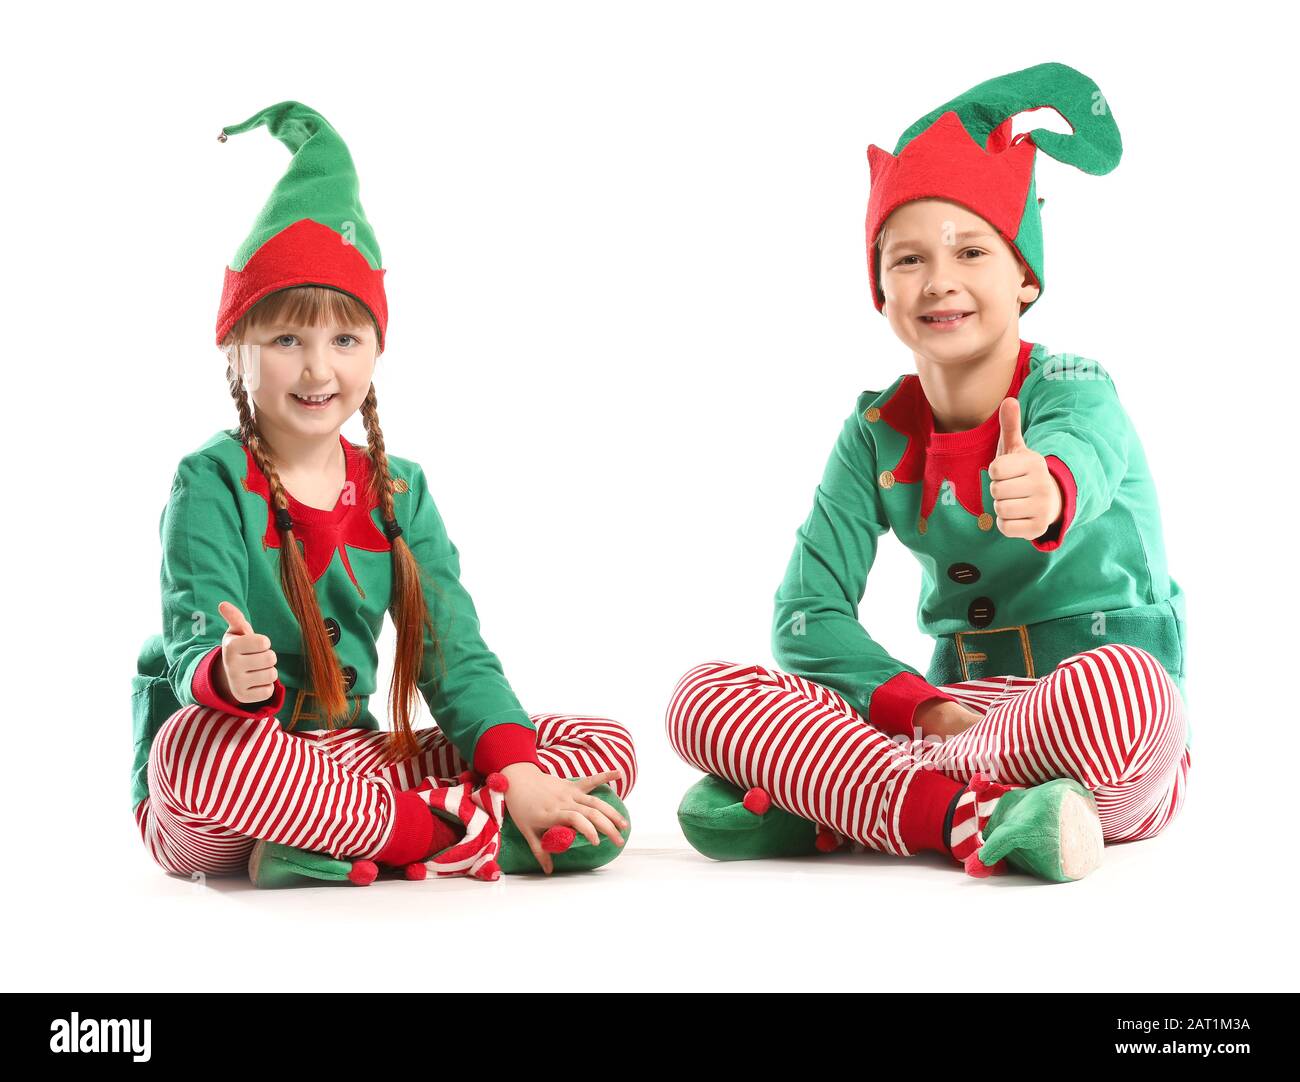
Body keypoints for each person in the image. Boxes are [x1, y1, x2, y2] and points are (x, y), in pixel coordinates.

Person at [665, 62, 1189, 883]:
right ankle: (967, 815)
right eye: (906, 259)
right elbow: (806, 615)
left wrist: (1048, 486)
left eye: (971, 250)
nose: (939, 278)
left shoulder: (1078, 386)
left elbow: (1082, 452)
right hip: (948, 715)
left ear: (1024, 275)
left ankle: (855, 801)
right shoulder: (874, 431)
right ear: (878, 288)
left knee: (1131, 691)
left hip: (1089, 723)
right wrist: (924, 708)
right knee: (702, 697)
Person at [131, 102, 636, 887]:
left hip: (349, 765)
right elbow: (193, 628)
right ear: (237, 351)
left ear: (375, 347)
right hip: (235, 783)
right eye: (286, 339)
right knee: (189, 754)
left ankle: (337, 847)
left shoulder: (402, 489)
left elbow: (453, 653)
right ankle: (445, 833)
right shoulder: (209, 480)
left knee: (596, 746)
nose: (317, 369)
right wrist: (225, 675)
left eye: (344, 338)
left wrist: (517, 771)